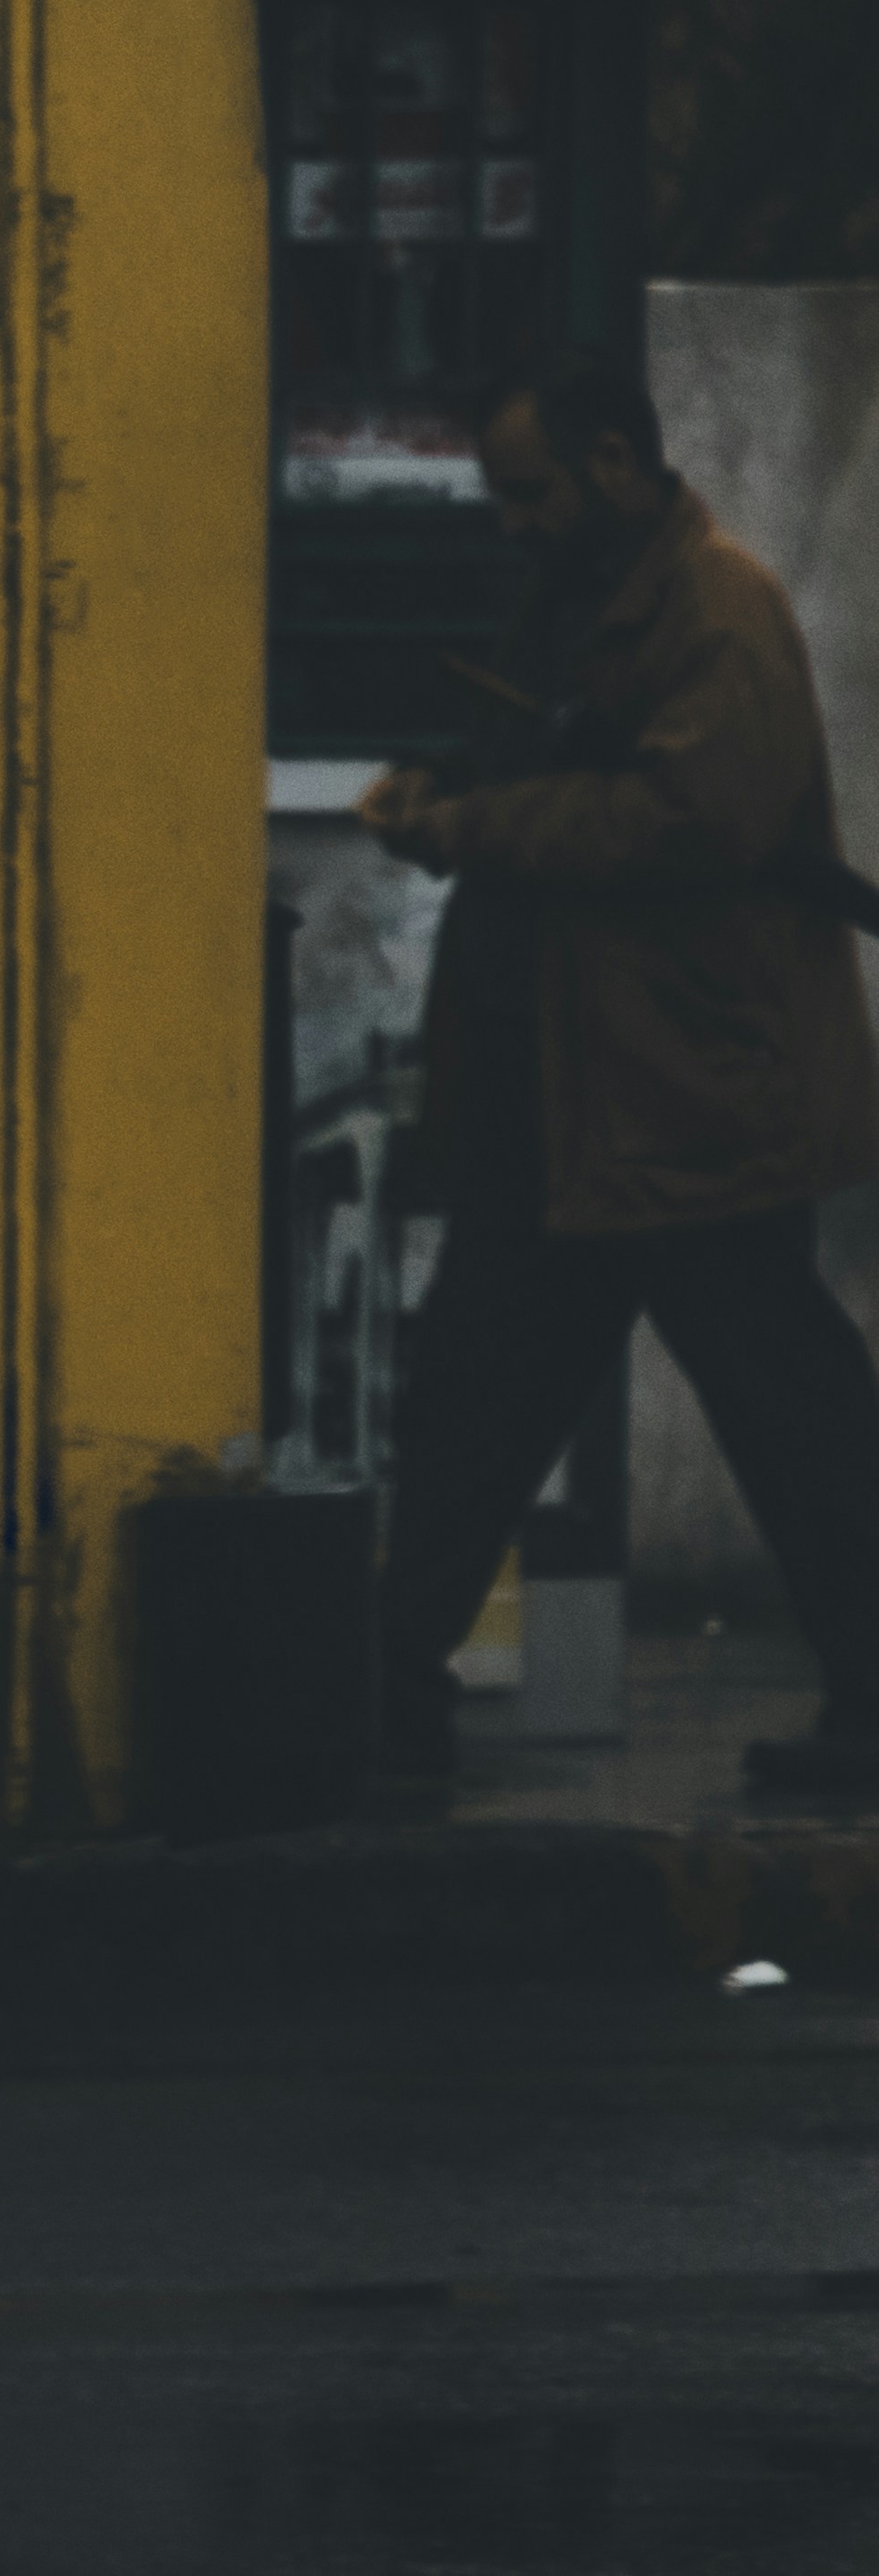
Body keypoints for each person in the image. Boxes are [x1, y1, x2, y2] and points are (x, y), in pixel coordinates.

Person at [359, 356, 879, 1798]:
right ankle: (388, 1705)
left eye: (527, 491)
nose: (510, 522)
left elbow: (684, 819)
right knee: (475, 1408)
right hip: (580, 1093)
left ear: (609, 462)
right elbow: (540, 773)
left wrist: (474, 825)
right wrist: (444, 797)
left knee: (793, 1422)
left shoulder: (721, 607)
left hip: (688, 1100)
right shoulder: (585, 598)